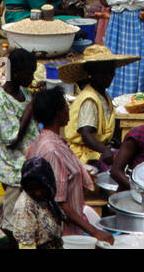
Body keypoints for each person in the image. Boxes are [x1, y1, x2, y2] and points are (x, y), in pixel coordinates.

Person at [22, 89, 114, 243]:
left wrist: (81, 177)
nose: (68, 109)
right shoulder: (52, 150)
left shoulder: (44, 141)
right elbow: (59, 201)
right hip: (62, 233)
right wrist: (94, 231)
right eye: (65, 106)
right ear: (58, 113)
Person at [0, 48, 37, 194]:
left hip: (30, 167)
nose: (32, 79)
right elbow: (12, 137)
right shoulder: (1, 101)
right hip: (14, 173)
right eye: (29, 74)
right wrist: (32, 105)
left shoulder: (25, 93)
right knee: (13, 214)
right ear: (16, 73)